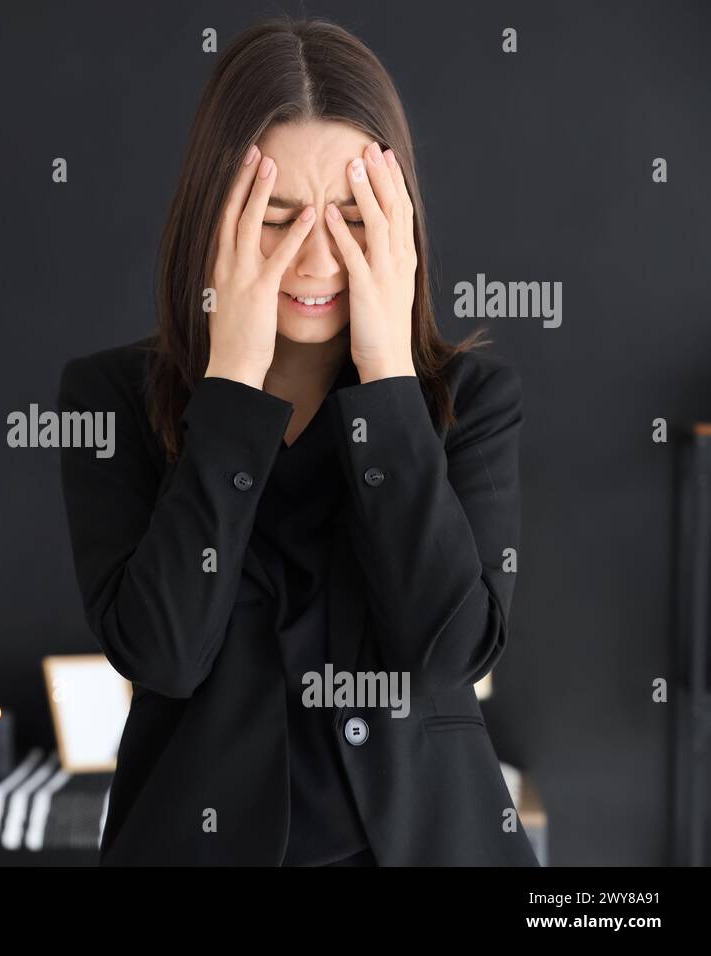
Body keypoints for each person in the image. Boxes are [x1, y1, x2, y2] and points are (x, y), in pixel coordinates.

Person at [57, 17, 539, 866]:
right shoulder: (110, 401)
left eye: (354, 217)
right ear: (215, 218)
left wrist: (388, 372)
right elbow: (162, 653)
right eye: (277, 217)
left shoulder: (471, 401)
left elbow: (448, 651)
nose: (318, 259)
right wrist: (233, 383)